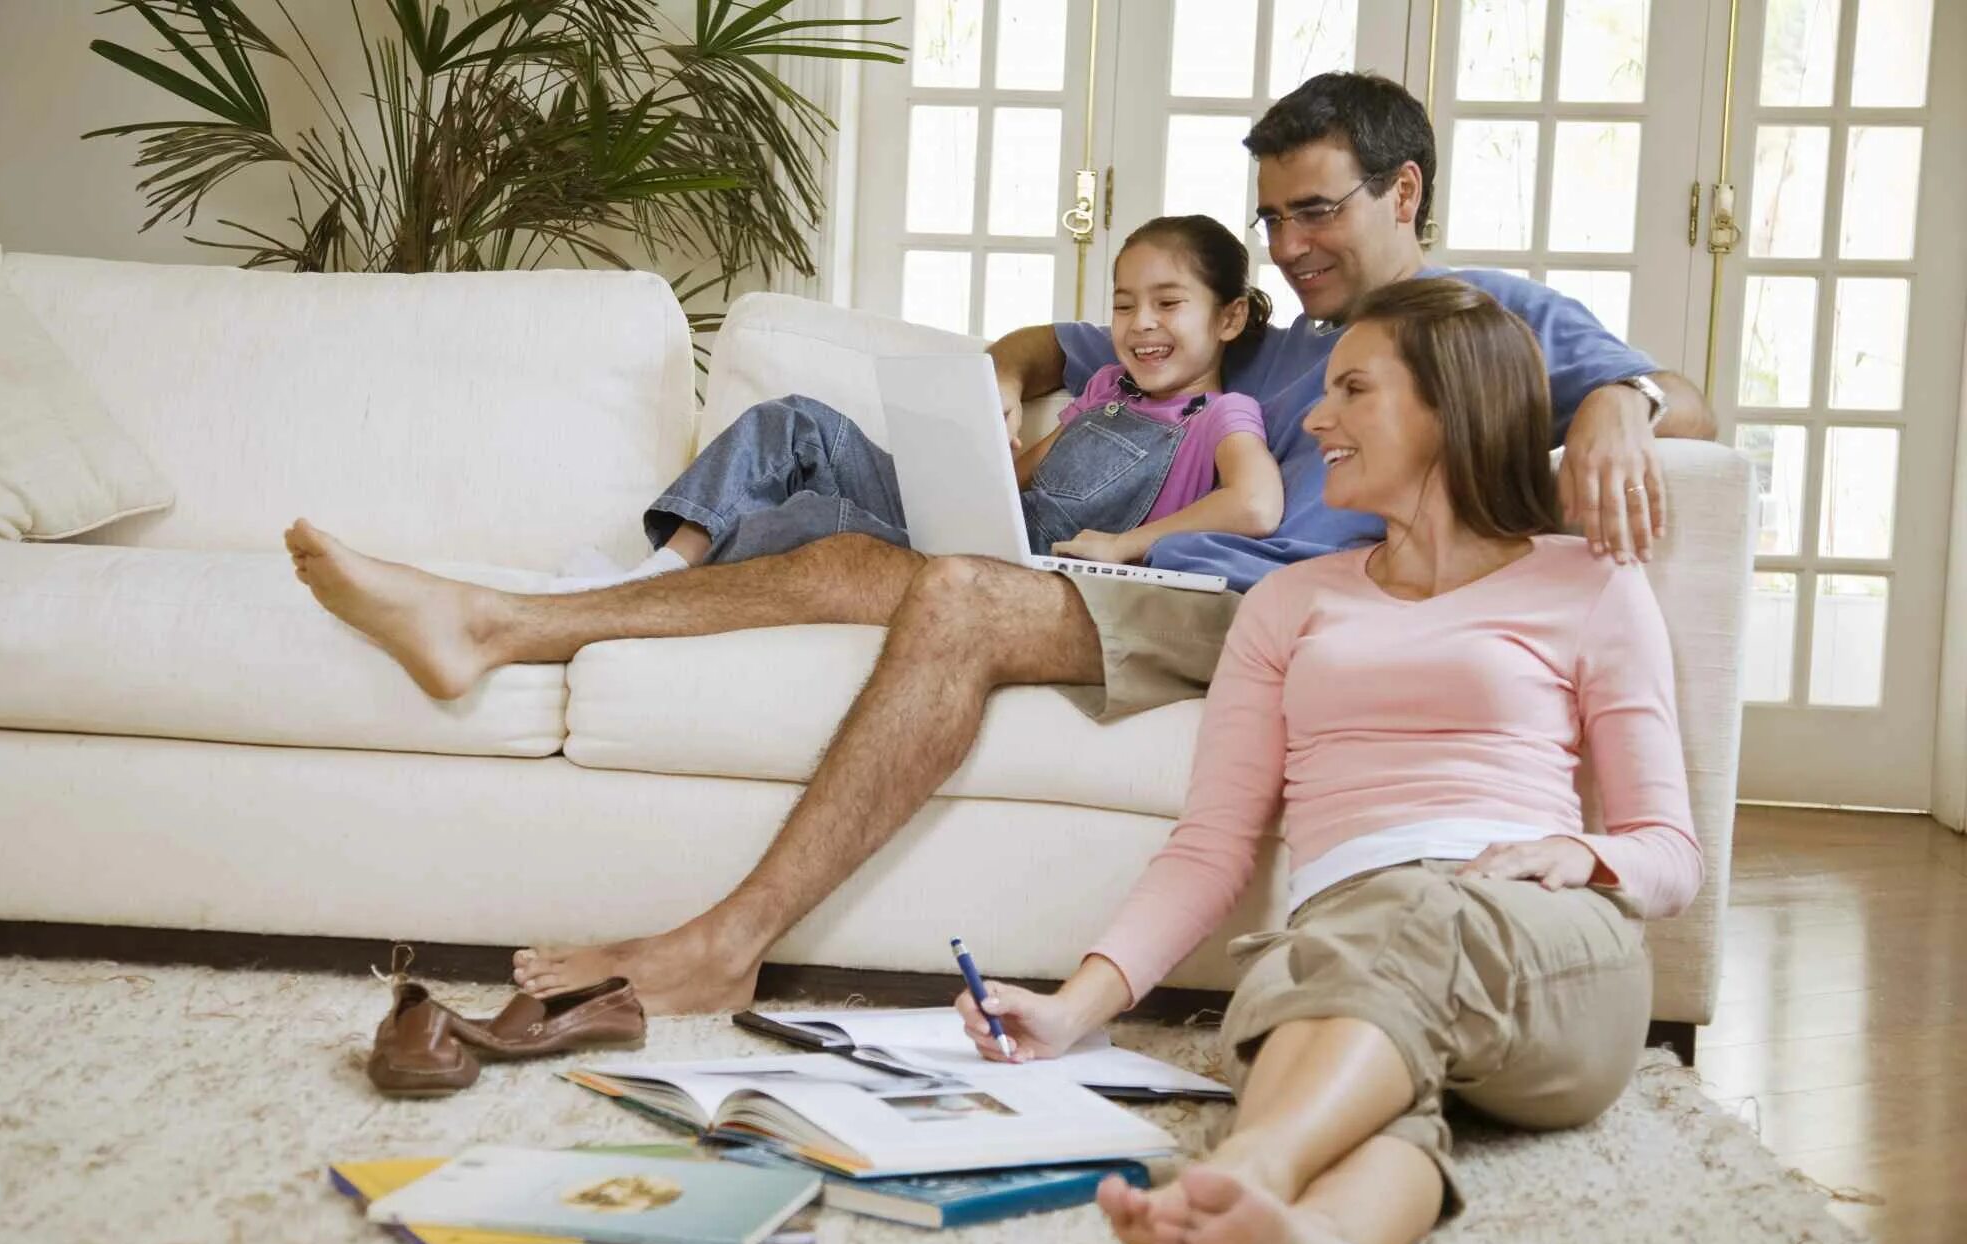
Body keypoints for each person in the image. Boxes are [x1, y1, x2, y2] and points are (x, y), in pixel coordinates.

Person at [281, 72, 1715, 1014]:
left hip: (1271, 610)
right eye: (1271, 215)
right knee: (859, 565)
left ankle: (725, 938)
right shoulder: (1263, 338)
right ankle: (503, 622)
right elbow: (1059, 338)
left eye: (1316, 209)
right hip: (1150, 580)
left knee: (959, 597)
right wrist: (1006, 394)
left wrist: (1625, 408)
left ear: (1405, 194)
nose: (1284, 243)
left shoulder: (1484, 314)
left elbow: (1687, 397)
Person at [951, 276, 1703, 1244]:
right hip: (1343, 951)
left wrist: (1576, 856)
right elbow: (1209, 845)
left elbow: (1668, 852)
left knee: (1403, 922)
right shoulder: (1288, 601)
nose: (1312, 416)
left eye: (1352, 388)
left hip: (1539, 945)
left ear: (1449, 408)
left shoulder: (1586, 583)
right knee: (1319, 979)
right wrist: (1071, 1009)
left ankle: (1246, 1167)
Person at [616, 213, 1281, 582]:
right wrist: (978, 457)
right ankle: (658, 569)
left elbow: (1254, 503)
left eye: (1169, 304)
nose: (1141, 323)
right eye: (1125, 304)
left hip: (1007, 567)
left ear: (1227, 318)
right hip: (966, 521)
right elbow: (1024, 480)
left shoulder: (1221, 416)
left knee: (813, 520)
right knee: (792, 421)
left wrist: (1126, 544)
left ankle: (669, 589)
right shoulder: (1108, 387)